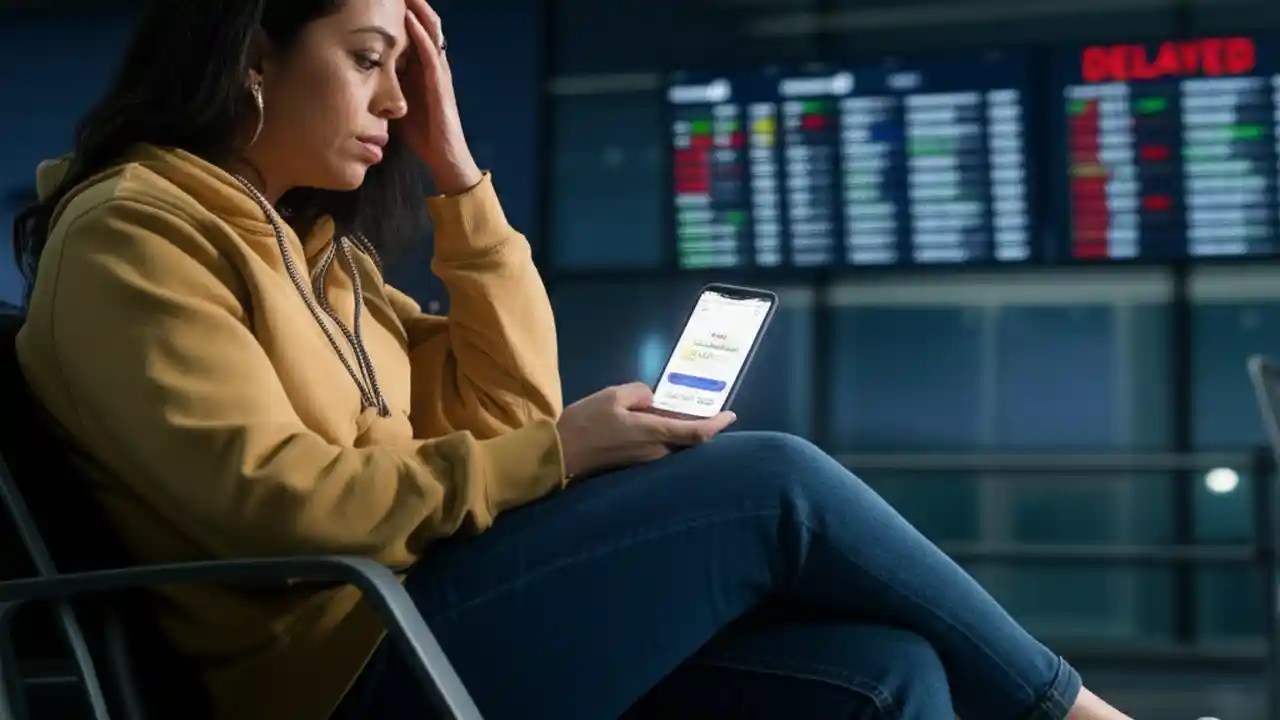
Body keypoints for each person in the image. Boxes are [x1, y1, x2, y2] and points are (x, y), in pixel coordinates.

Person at [9, 1, 1135, 719]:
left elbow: (509, 405)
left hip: (421, 615)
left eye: (407, 73)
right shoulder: (136, 233)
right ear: (253, 53)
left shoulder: (323, 261)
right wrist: (560, 453)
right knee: (772, 482)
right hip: (338, 670)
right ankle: (1074, 715)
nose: (397, 102)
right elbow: (275, 507)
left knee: (888, 680)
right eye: (367, 61)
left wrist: (457, 176)